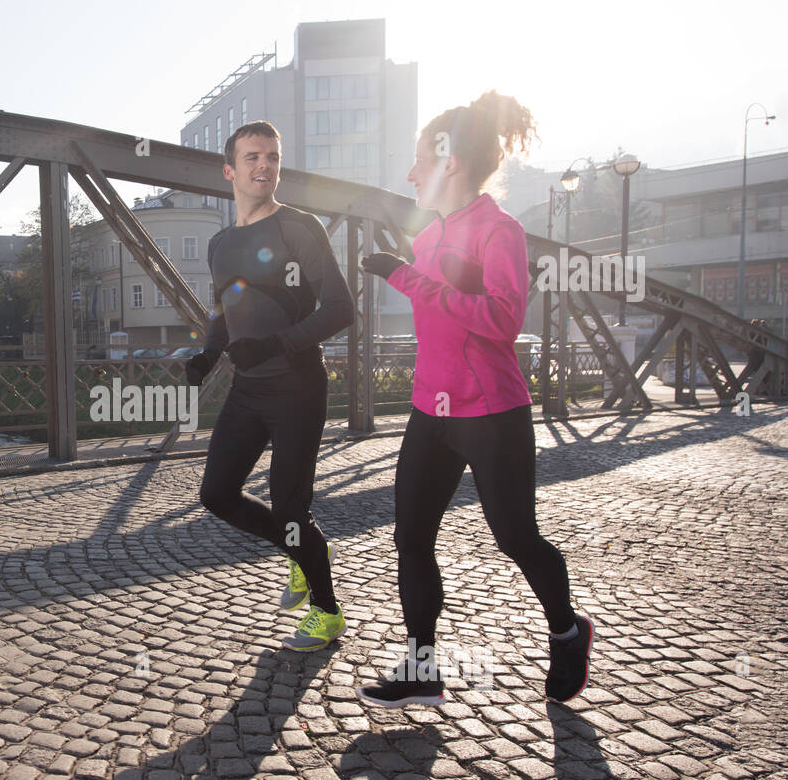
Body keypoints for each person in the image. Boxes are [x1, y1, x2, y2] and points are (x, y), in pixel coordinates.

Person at [356, 91, 593, 706]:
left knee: (515, 536)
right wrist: (415, 271)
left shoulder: (500, 230)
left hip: (492, 411)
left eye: (417, 161)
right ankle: (422, 668)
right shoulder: (429, 235)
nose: (410, 174)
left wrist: (408, 277)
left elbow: (502, 321)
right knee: (411, 537)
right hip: (428, 410)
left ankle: (567, 632)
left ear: (449, 163)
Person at [186, 120, 353, 651]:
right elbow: (224, 304)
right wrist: (210, 351)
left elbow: (341, 308)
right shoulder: (219, 243)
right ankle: (306, 550)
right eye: (253, 157)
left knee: (289, 509)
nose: (265, 166)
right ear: (229, 169)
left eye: (274, 158)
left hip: (297, 387)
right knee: (216, 494)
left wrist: (277, 344)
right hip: (247, 390)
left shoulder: (299, 228)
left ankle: (326, 612)